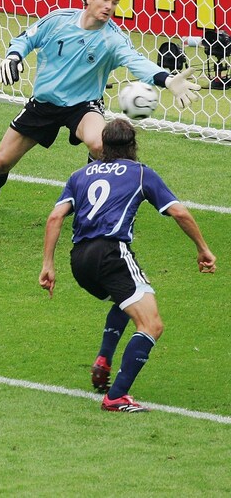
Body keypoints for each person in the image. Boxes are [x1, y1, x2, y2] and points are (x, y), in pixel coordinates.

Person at [0, 0, 201, 214]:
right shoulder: (58, 20)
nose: (109, 7)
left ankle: (88, 198)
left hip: (83, 106)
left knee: (99, 144)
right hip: (43, 104)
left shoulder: (113, 38)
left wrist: (167, 80)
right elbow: (25, 39)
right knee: (0, 163)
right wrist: (13, 56)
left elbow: (137, 63)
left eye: (114, 3)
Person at [40, 118, 215, 412]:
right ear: (133, 145)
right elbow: (180, 213)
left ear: (103, 146)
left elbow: (55, 218)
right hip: (111, 253)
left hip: (79, 260)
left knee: (127, 300)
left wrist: (48, 264)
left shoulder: (79, 175)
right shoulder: (141, 173)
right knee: (151, 324)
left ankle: (103, 360)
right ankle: (116, 397)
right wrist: (203, 249)